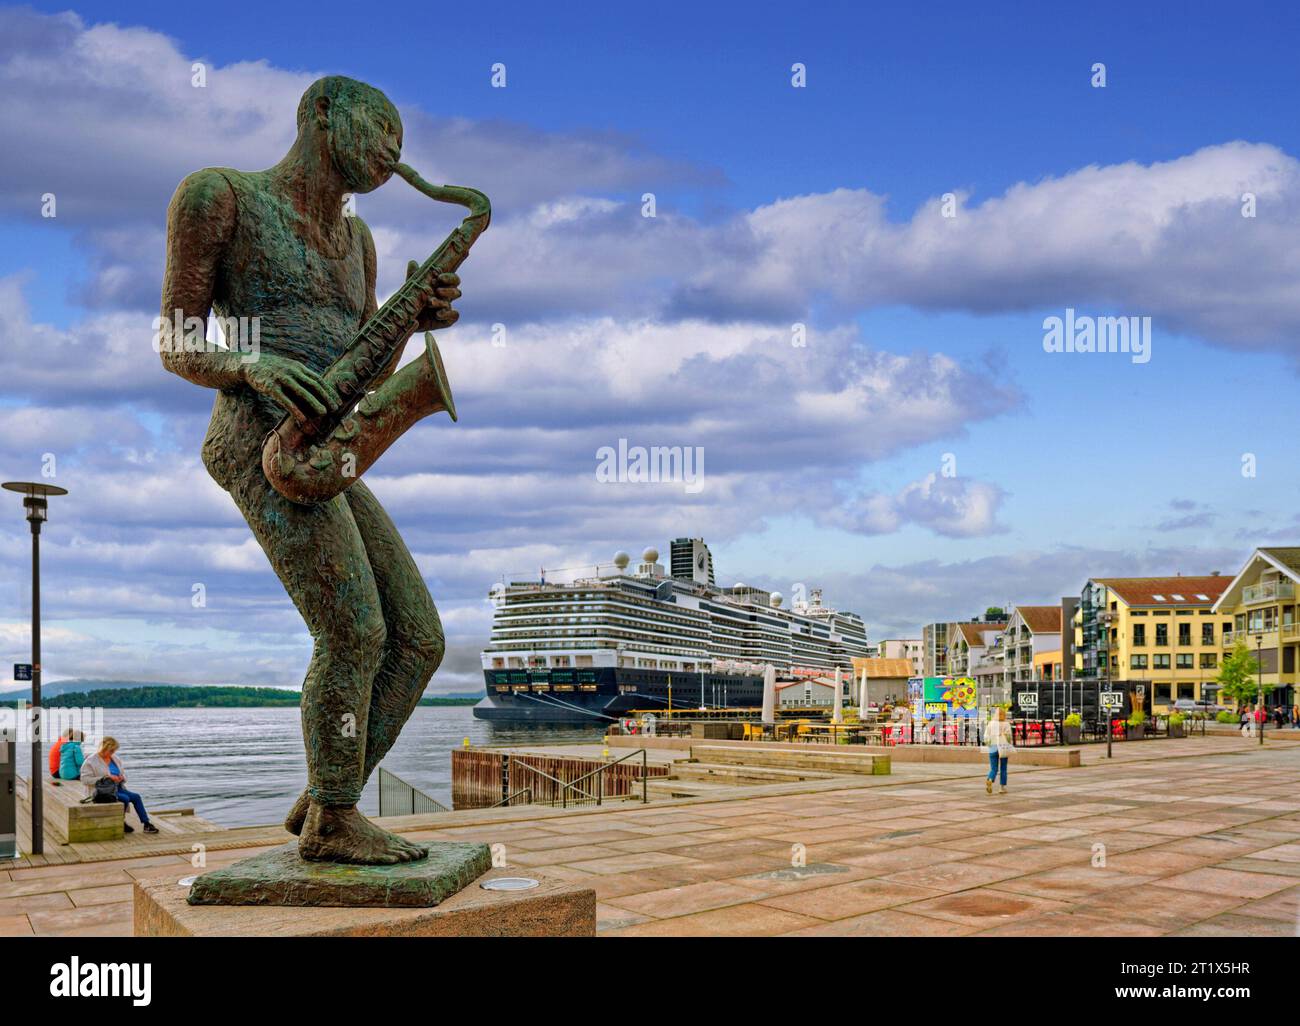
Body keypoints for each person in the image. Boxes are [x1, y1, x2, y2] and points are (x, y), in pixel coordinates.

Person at [159, 76, 461, 865]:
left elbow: (359, 364)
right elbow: (173, 339)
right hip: (258, 440)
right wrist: (250, 365)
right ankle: (333, 815)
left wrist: (411, 319)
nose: (395, 150)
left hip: (329, 448)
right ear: (320, 111)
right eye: (380, 126)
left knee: (421, 639)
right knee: (354, 628)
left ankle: (329, 797)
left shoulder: (360, 244)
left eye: (403, 136)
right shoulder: (218, 195)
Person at [80, 737, 158, 834]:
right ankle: (121, 822)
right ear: (104, 748)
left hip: (118, 788)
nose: (113, 752)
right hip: (101, 791)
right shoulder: (90, 761)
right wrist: (106, 778)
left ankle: (146, 824)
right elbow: (84, 780)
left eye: (114, 750)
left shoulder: (115, 758)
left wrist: (122, 777)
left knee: (136, 797)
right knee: (125, 798)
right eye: (111, 750)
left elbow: (124, 774)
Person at [984, 707, 1013, 795]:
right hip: (1003, 747)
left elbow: (986, 737)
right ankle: (1002, 788)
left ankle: (990, 779)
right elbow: (1009, 737)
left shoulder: (991, 724)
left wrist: (989, 745)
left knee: (994, 768)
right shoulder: (1006, 724)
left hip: (993, 747)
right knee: (1003, 768)